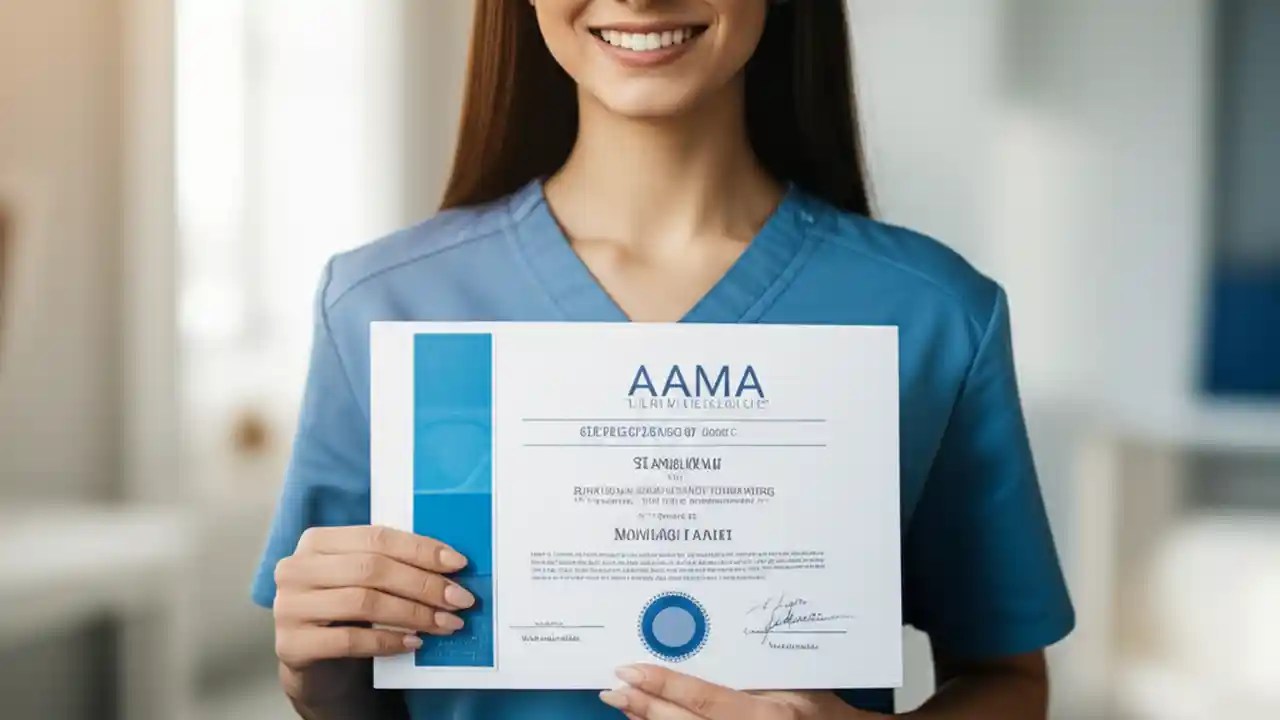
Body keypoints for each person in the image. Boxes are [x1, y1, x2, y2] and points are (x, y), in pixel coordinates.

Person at [252, 1, 1075, 718]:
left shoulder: (933, 314)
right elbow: (356, 692)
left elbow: (1006, 680)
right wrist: (318, 684)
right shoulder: (378, 306)